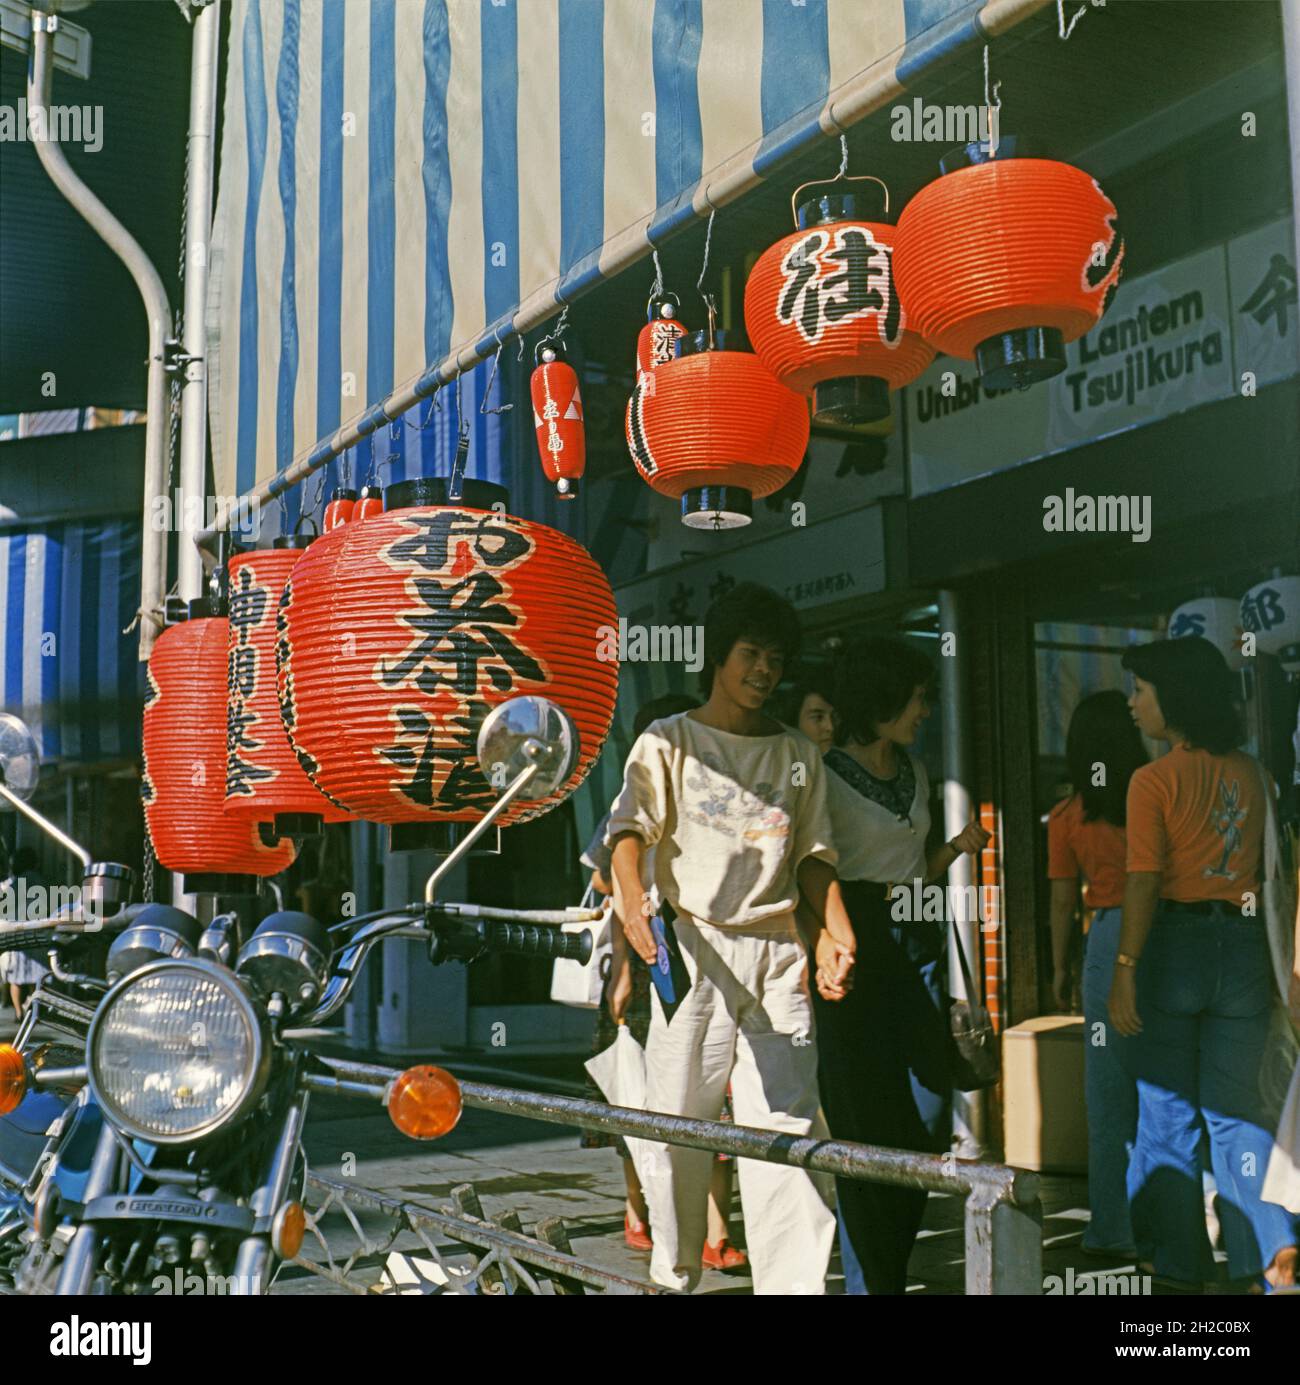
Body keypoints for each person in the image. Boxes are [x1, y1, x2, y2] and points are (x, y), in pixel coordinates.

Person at [605, 582, 855, 1294]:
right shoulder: (670, 739)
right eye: (751, 653)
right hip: (694, 948)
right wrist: (631, 904)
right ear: (719, 655)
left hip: (777, 950)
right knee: (678, 1124)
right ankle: (674, 1273)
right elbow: (629, 830)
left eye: (776, 658)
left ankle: (795, 1286)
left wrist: (835, 927)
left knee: (789, 1126)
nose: (764, 671)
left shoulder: (798, 752)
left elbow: (812, 856)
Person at [1109, 636, 1298, 1291]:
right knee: (1238, 1114)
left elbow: (1141, 880)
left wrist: (1126, 964)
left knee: (1166, 1119)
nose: (1133, 703)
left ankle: (1181, 1265)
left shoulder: (1150, 780)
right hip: (1244, 950)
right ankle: (1270, 1255)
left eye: (1142, 690)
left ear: (1175, 699)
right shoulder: (1254, 773)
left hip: (1175, 946)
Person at [810, 635, 989, 1294]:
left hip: (917, 946)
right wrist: (833, 937)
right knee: (862, 1124)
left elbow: (911, 869)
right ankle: (873, 1282)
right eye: (917, 699)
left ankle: (885, 1263)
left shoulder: (912, 769)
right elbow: (813, 869)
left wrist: (951, 850)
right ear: (881, 701)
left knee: (928, 1112)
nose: (925, 711)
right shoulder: (822, 773)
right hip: (858, 946)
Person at [579, 691, 747, 1270]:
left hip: (704, 959)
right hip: (652, 961)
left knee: (713, 1100)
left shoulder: (713, 798)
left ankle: (714, 1230)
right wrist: (623, 969)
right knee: (641, 1100)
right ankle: (639, 1209)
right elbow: (604, 878)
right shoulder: (636, 796)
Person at [1047, 690, 1147, 1256]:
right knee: (1168, 1088)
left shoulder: (1066, 817)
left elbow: (1064, 903)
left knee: (1108, 1095)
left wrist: (1062, 967)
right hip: (1164, 931)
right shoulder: (1155, 796)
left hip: (1108, 936)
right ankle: (1186, 1220)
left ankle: (1114, 1228)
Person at [776, 680, 836, 757]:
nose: (830, 727)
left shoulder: (842, 763)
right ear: (794, 723)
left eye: (833, 717)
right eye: (818, 717)